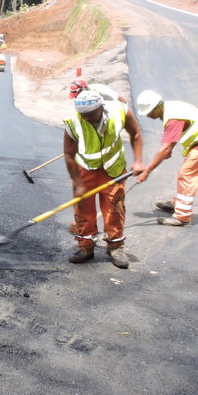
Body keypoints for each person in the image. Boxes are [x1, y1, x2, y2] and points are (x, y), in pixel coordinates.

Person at [63, 90, 144, 268]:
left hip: (113, 170)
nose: (87, 119)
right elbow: (69, 154)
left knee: (114, 208)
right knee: (83, 210)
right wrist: (77, 183)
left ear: (101, 107)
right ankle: (86, 247)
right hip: (85, 171)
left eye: (91, 115)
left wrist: (138, 160)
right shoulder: (74, 122)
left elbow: (136, 134)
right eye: (84, 116)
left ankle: (115, 247)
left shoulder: (120, 111)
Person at [135, 90, 198, 227]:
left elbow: (165, 149)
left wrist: (147, 172)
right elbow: (170, 143)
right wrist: (168, 149)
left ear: (157, 107)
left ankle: (182, 217)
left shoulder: (173, 118)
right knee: (185, 172)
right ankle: (177, 203)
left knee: (187, 175)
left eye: (149, 111)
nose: (147, 115)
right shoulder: (169, 108)